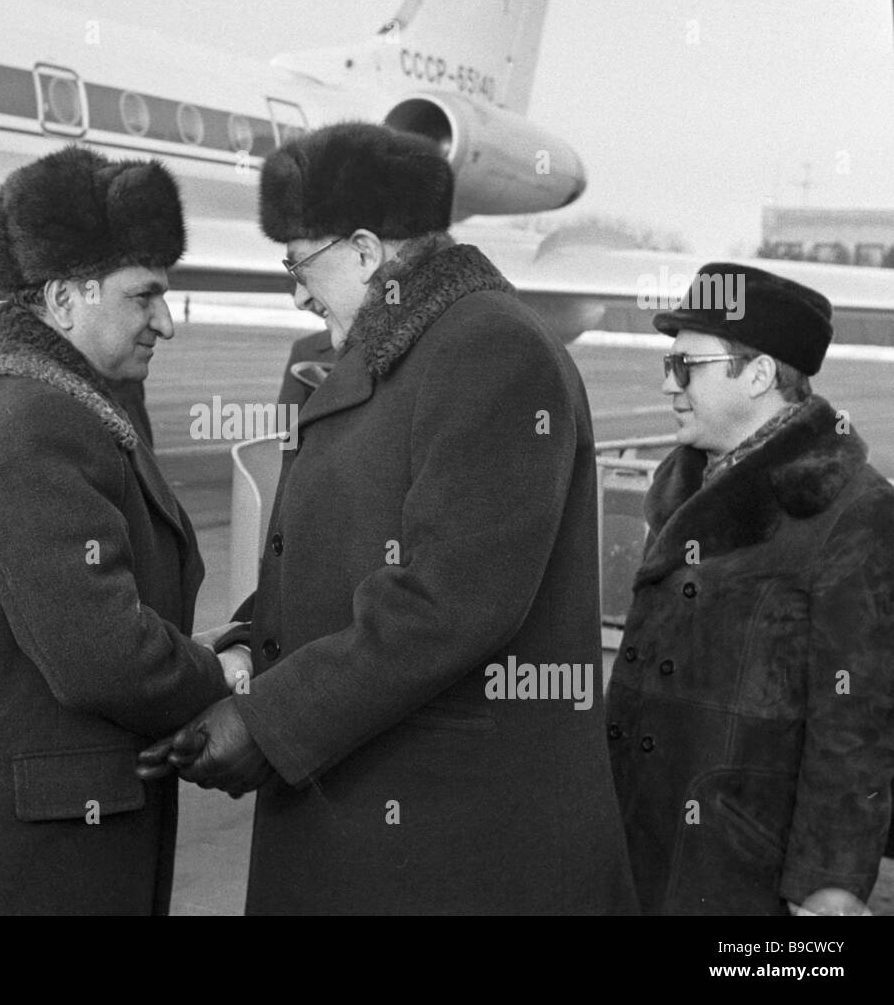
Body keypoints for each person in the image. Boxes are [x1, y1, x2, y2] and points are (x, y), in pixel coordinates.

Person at [141, 121, 637, 915]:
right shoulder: (383, 353)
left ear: (367, 251)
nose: (297, 290)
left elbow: (447, 601)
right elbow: (317, 554)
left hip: (451, 846)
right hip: (375, 818)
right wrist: (245, 645)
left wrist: (268, 720)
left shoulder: (491, 351)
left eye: (300, 263)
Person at [0, 147, 241, 916]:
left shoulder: (66, 401)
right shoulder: (36, 420)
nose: (166, 322)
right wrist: (227, 676)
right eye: (145, 296)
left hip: (48, 840)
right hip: (14, 865)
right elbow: (104, 658)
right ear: (68, 297)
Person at [606, 263, 894, 916]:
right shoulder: (683, 488)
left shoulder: (852, 508)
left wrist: (828, 889)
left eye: (687, 366)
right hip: (635, 846)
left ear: (759, 373)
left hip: (737, 875)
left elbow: (855, 727)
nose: (666, 384)